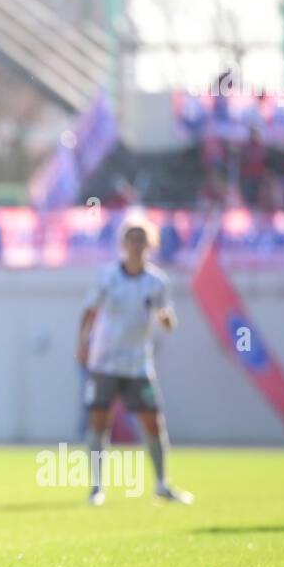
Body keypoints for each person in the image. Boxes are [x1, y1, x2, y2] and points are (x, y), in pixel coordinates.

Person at [76, 215, 192, 506]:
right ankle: (96, 487)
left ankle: (162, 484)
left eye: (142, 239)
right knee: (99, 422)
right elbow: (89, 311)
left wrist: (167, 320)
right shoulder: (107, 276)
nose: (137, 245)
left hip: (139, 364)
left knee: (153, 422)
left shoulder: (157, 282)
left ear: (150, 244)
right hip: (105, 361)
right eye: (132, 239)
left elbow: (168, 319)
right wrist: (82, 344)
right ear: (123, 244)